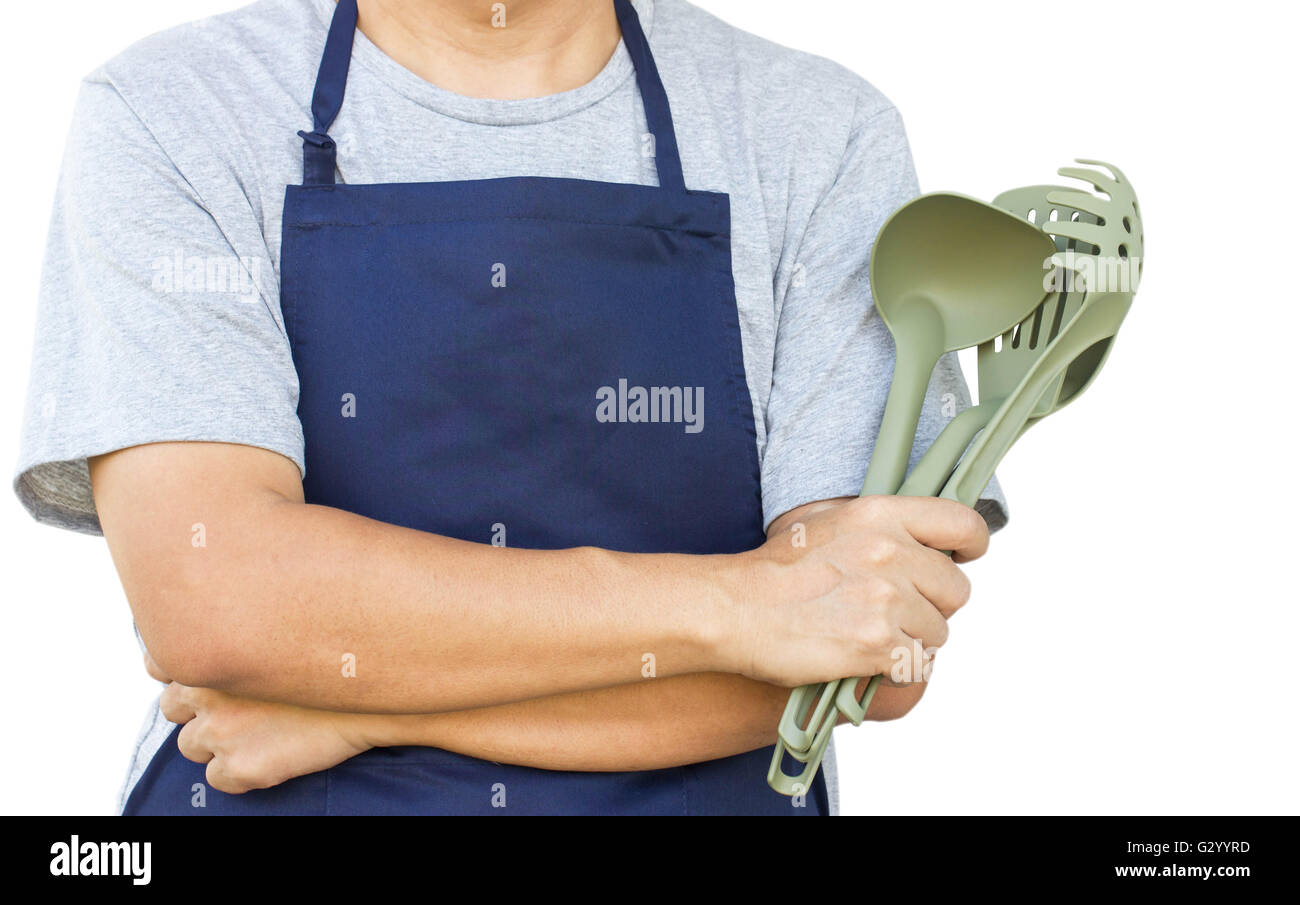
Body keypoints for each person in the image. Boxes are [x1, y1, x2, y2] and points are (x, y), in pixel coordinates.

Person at [15, 0, 1002, 816]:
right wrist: (744, 605)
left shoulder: (815, 131)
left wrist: (369, 710)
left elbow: (867, 654)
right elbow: (218, 598)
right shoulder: (173, 108)